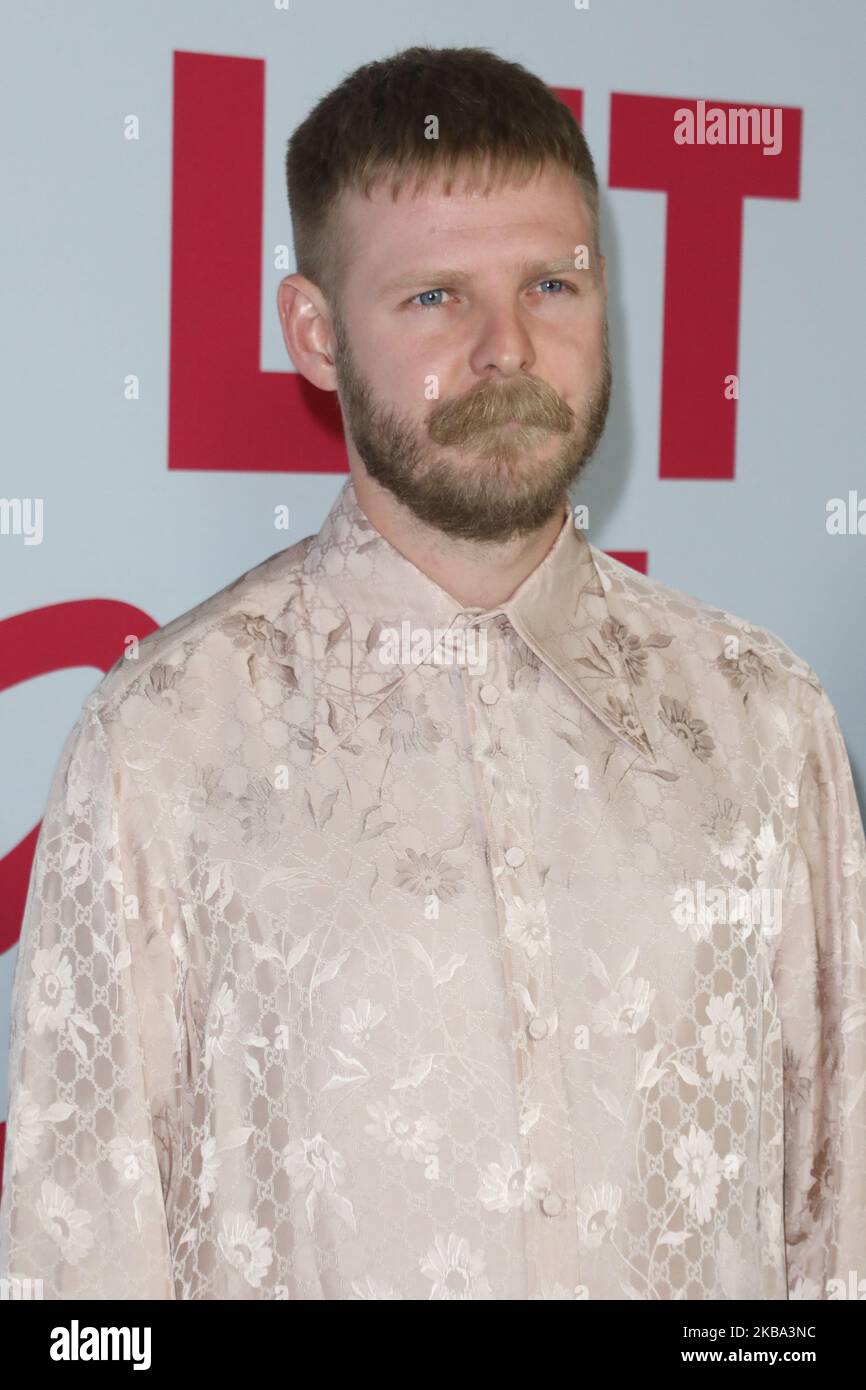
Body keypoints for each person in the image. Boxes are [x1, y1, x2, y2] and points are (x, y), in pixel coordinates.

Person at [1, 44, 864, 1301]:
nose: (507, 347)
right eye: (433, 298)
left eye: (552, 284)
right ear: (312, 330)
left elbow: (836, 1231)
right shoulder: (169, 740)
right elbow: (78, 1283)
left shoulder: (759, 716)